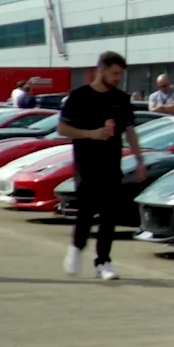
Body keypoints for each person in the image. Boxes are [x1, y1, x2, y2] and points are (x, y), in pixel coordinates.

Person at [58, 52, 145, 280]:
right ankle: (76, 248)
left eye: (120, 74)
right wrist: (91, 134)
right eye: (114, 73)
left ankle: (103, 262)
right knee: (86, 213)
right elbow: (63, 129)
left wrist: (139, 160)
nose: (118, 78)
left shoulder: (121, 99)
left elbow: (130, 130)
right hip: (86, 166)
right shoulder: (79, 97)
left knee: (109, 216)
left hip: (111, 166)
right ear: (101, 70)